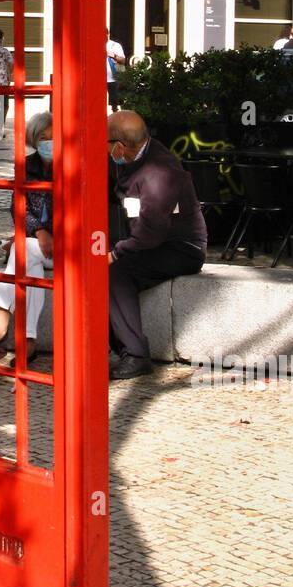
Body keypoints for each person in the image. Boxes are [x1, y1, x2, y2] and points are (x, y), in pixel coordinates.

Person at [108, 110, 206, 380]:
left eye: (106, 143)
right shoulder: (131, 159)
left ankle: (136, 353)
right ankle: (111, 345)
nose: (104, 149)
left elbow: (150, 233)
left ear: (120, 146)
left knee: (116, 272)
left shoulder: (158, 173)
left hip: (182, 247)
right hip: (151, 241)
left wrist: (116, 253)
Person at [0, 111, 53, 366]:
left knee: (23, 249)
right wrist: (39, 231)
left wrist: (54, 234)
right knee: (27, 257)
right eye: (43, 137)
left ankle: (1, 313)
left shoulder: (71, 164)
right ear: (34, 140)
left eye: (53, 136)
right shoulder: (27, 166)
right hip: (36, 245)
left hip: (68, 244)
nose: (49, 142)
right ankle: (29, 341)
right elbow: (18, 207)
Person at [106, 30, 126, 109]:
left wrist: (113, 55)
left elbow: (123, 60)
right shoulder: (95, 44)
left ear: (108, 34)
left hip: (113, 79)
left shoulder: (115, 45)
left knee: (115, 104)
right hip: (99, 80)